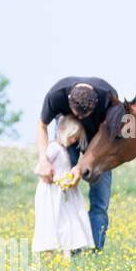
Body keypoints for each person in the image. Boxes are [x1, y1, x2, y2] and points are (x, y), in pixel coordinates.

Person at [36, 75, 118, 249]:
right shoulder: (56, 95)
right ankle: (67, 247)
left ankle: (94, 252)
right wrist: (43, 159)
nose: (81, 119)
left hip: (100, 143)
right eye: (76, 114)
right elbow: (41, 125)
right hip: (70, 139)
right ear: (68, 99)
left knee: (100, 202)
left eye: (86, 116)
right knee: (63, 194)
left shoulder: (109, 98)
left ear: (96, 102)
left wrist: (81, 167)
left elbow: (119, 134)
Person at [33, 116, 95, 259]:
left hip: (62, 194)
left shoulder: (63, 150)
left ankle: (65, 256)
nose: (74, 141)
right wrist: (56, 179)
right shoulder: (53, 149)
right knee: (51, 222)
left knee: (65, 223)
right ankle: (50, 256)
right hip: (52, 193)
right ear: (63, 132)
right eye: (73, 137)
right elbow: (39, 170)